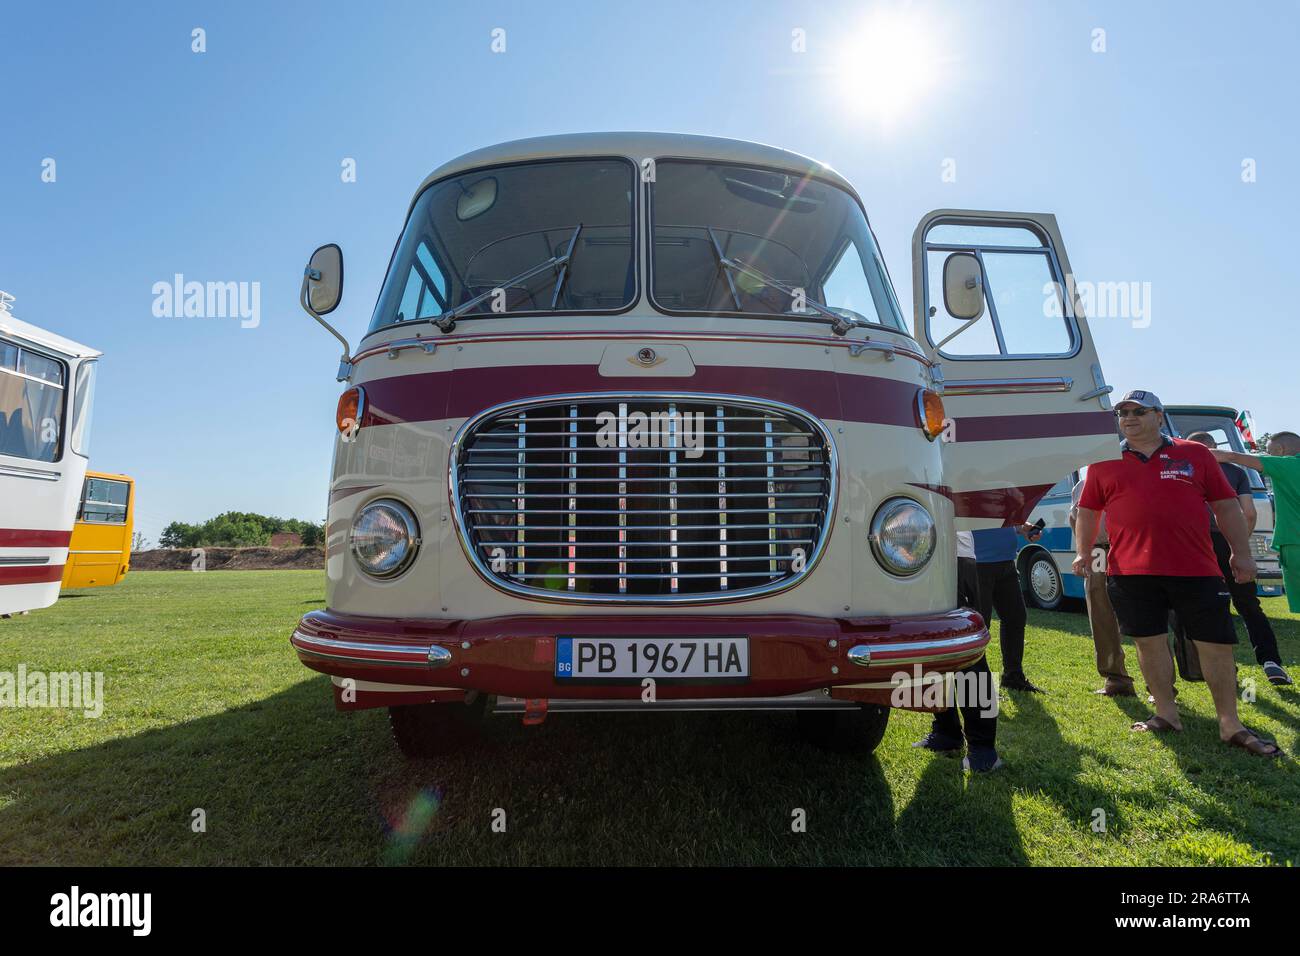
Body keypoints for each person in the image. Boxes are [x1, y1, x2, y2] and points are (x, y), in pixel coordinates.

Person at [1074, 390, 1282, 757]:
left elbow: (1226, 507)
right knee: (1148, 642)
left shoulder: (1194, 454)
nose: (1129, 418)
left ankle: (1230, 723)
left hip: (1196, 569)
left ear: (1159, 415)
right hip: (1131, 572)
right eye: (1122, 412)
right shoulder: (1104, 461)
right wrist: (1082, 552)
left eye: (1139, 411)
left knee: (1214, 644)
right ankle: (1166, 714)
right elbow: (1089, 511)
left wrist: (1242, 554)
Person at [1174, 432, 1290, 685]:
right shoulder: (1237, 473)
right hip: (1229, 541)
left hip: (1196, 544)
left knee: (1203, 604)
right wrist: (1238, 544)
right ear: (1215, 447)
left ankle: (1218, 669)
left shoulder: (1182, 469)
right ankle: (1271, 661)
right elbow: (1248, 513)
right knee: (1248, 604)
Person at [913, 530, 1003, 772]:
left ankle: (984, 747)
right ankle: (946, 731)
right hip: (915, 557)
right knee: (928, 646)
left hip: (953, 557)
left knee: (966, 653)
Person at [1212, 429, 1300, 643]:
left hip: (1295, 542)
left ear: (1280, 450)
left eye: (1269, 453)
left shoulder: (1287, 464)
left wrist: (1198, 453)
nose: (1267, 457)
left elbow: (1232, 456)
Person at [1069, 472, 1137, 696]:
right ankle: (1116, 679)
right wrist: (1083, 552)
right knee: (1100, 615)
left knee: (1141, 615)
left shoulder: (1130, 475)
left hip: (1128, 547)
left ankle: (1159, 686)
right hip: (1097, 552)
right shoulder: (1081, 486)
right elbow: (1076, 519)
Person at [972, 524, 1045, 692]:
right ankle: (979, 689)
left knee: (1016, 619)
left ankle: (1013, 676)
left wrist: (1025, 528)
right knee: (979, 628)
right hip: (978, 564)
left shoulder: (1002, 496)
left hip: (1006, 563)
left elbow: (1007, 519)